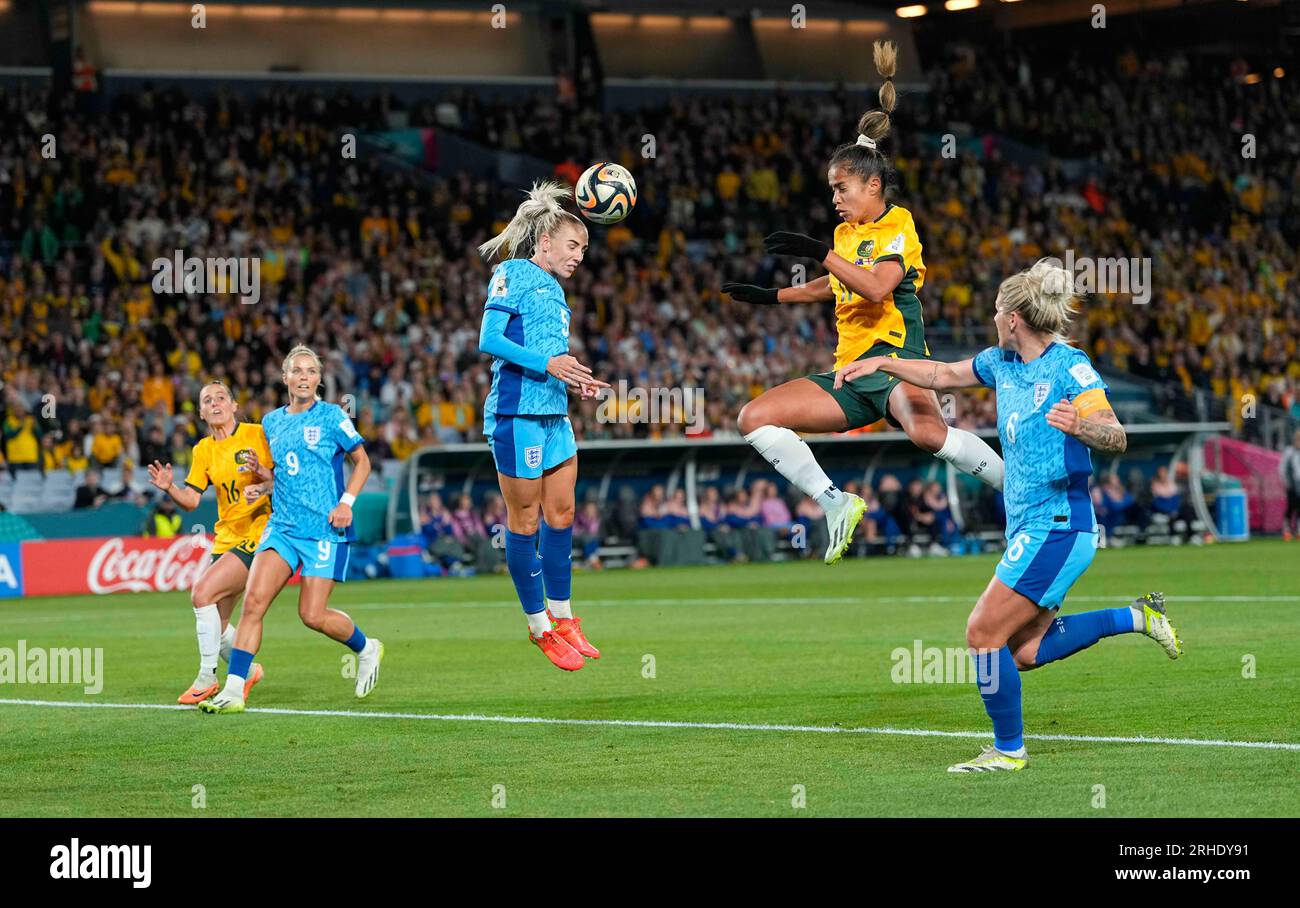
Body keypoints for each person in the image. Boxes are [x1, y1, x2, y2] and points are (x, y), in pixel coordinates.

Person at [835, 259, 1182, 772]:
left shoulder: (1070, 365)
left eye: (997, 309)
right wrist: (883, 363)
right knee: (1026, 650)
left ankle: (1008, 750)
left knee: (981, 634)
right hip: (1032, 527)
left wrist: (1082, 429)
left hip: (1060, 524)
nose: (993, 317)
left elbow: (1116, 435)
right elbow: (941, 374)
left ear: (1014, 317)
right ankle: (1137, 616)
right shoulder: (1001, 363)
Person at [723, 40, 1004, 566]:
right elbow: (832, 285)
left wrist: (821, 253)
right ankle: (836, 503)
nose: (834, 198)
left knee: (927, 435)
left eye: (841, 187)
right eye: (831, 189)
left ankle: (1019, 490)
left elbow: (876, 288)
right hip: (850, 372)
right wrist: (772, 296)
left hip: (896, 360)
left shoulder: (898, 224)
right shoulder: (843, 235)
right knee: (754, 417)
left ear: (873, 185)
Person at [199, 346, 381, 714]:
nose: (303, 377)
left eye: (310, 371)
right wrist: (264, 483)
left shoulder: (333, 417)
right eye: (296, 370)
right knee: (253, 603)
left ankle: (367, 647)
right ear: (285, 378)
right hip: (282, 528)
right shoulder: (271, 422)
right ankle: (234, 690)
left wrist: (346, 502)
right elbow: (282, 471)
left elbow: (363, 462)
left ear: (318, 379)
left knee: (312, 615)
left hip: (324, 531)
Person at [477, 181, 609, 671]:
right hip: (517, 417)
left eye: (585, 249)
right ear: (545, 242)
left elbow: (551, 360)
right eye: (573, 245)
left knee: (564, 513)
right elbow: (489, 339)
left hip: (555, 414)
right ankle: (539, 627)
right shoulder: (511, 272)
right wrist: (548, 365)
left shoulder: (556, 292)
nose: (579, 256)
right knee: (525, 521)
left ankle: (565, 617)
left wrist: (575, 379)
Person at [146, 381, 270, 704]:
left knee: (201, 593)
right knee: (220, 621)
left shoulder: (257, 434)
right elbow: (191, 501)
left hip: (257, 533)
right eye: (207, 400)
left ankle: (206, 678)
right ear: (200, 412)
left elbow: (279, 476)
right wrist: (169, 488)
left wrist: (263, 479)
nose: (214, 404)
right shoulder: (203, 450)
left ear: (234, 405)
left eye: (220, 398)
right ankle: (248, 670)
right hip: (225, 538)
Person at [1280, 429, 1300, 541]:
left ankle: (1298, 530)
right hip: (1292, 485)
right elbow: (1282, 468)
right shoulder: (1289, 451)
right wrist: (1287, 482)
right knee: (1291, 507)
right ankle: (1287, 530)